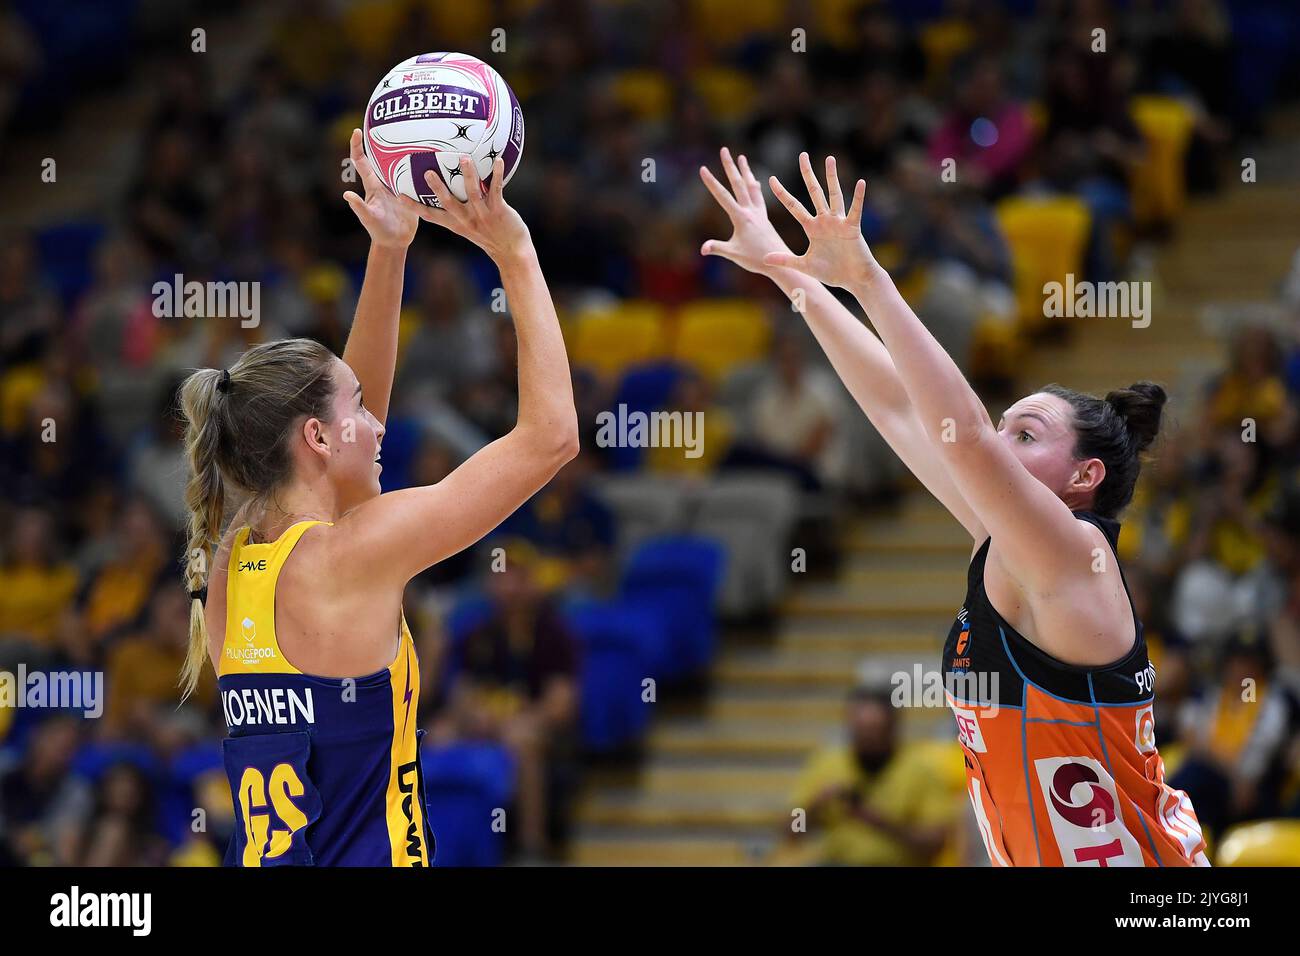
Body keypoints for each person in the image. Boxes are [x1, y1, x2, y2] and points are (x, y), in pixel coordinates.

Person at [699, 147, 1207, 866]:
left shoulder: (1079, 555)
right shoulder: (996, 540)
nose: (999, 441)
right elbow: (901, 408)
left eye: (1024, 434)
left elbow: (962, 435)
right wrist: (791, 273)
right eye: (1003, 426)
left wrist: (869, 279)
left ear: (1084, 476)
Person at [177, 131, 578, 867]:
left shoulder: (237, 557)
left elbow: (340, 465)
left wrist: (390, 251)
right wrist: (515, 252)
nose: (379, 422)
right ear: (318, 440)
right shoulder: (354, 553)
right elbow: (552, 436)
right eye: (360, 410)